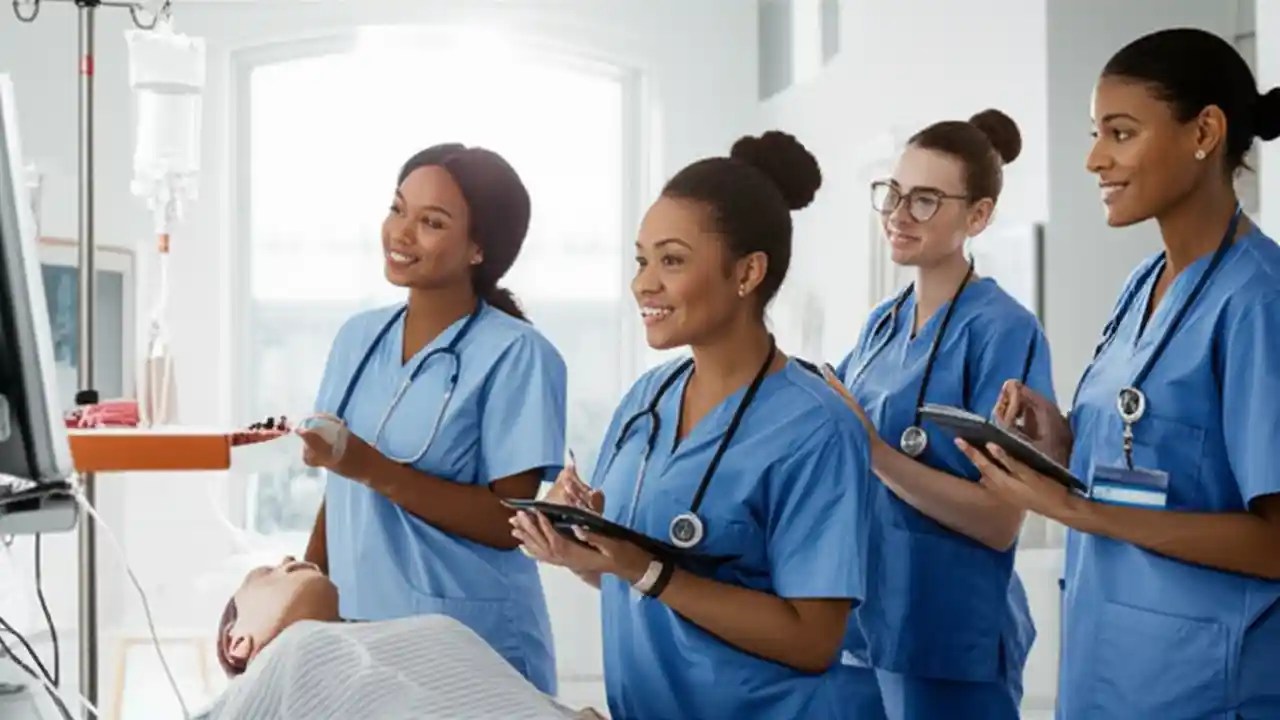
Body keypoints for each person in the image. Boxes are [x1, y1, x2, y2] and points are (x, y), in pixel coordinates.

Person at [963, 28, 1280, 720]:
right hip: (1109, 670)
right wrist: (1065, 449)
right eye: (1095, 132)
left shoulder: (1260, 301)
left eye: (1120, 132)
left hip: (1205, 687)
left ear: (1205, 132)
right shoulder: (1143, 284)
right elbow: (1166, 469)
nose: (1094, 158)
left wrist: (1078, 511)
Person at [512, 131, 876, 720]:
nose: (642, 283)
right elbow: (632, 578)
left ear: (748, 272)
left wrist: (643, 568)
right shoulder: (645, 400)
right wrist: (579, 547)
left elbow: (813, 639)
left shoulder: (816, 428)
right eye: (641, 259)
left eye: (672, 260)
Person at [297, 143, 567, 694]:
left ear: (477, 249)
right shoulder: (358, 338)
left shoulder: (519, 354)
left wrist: (372, 467)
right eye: (397, 209)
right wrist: (306, 592)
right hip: (358, 633)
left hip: (468, 642)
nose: (401, 233)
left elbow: (507, 522)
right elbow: (340, 485)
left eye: (431, 222)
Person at [827, 109, 1053, 720]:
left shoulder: (1004, 330)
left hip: (953, 637)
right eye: (893, 193)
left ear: (977, 216)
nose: (899, 214)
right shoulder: (880, 325)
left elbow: (1002, 520)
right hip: (864, 626)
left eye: (925, 200)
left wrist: (876, 452)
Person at [202, 558, 603, 719]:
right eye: (266, 572)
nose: (289, 560)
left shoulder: (408, 632)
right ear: (236, 643)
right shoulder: (287, 658)